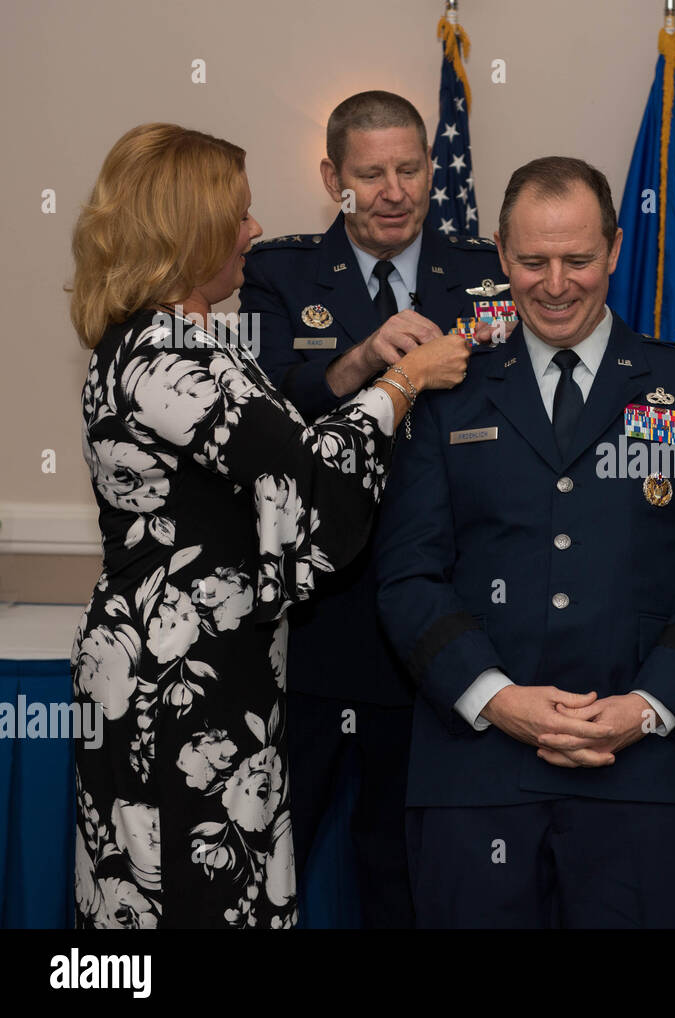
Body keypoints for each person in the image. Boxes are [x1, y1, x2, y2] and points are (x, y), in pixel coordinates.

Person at [69, 123, 469, 929]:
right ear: (194, 231)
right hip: (180, 684)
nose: (253, 231)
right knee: (190, 893)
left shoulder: (175, 342)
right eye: (239, 216)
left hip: (211, 663)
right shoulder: (167, 354)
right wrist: (405, 380)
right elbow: (308, 475)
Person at [374, 156, 675, 928]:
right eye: (532, 261)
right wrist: (497, 699)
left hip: (644, 768)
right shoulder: (447, 394)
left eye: (579, 260)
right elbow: (408, 575)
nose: (555, 284)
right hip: (476, 768)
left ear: (615, 249)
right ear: (500, 254)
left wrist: (643, 709)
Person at [239, 91, 505, 927]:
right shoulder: (276, 272)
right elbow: (258, 415)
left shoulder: (482, 269)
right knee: (283, 842)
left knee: (404, 863)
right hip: (317, 615)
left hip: (437, 602)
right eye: (371, 174)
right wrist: (360, 362)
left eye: (411, 170)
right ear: (333, 178)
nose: (395, 191)